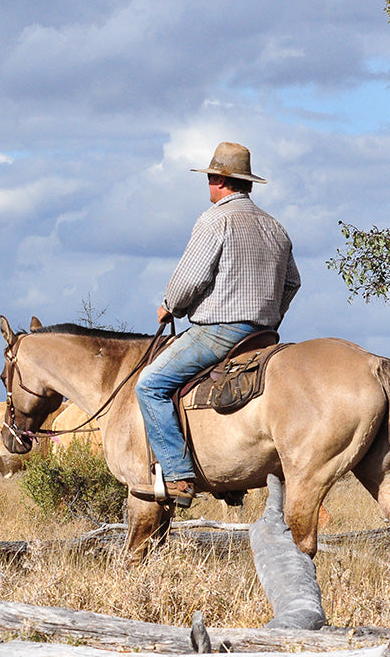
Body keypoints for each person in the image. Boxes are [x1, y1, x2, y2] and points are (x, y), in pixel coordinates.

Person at [135, 141, 301, 507]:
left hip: (218, 332)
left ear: (220, 180)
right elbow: (292, 283)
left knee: (150, 385)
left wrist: (169, 306)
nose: (208, 182)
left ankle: (178, 477)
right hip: (264, 336)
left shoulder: (215, 220)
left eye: (210, 176)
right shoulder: (275, 227)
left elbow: (189, 281)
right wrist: (271, 312)